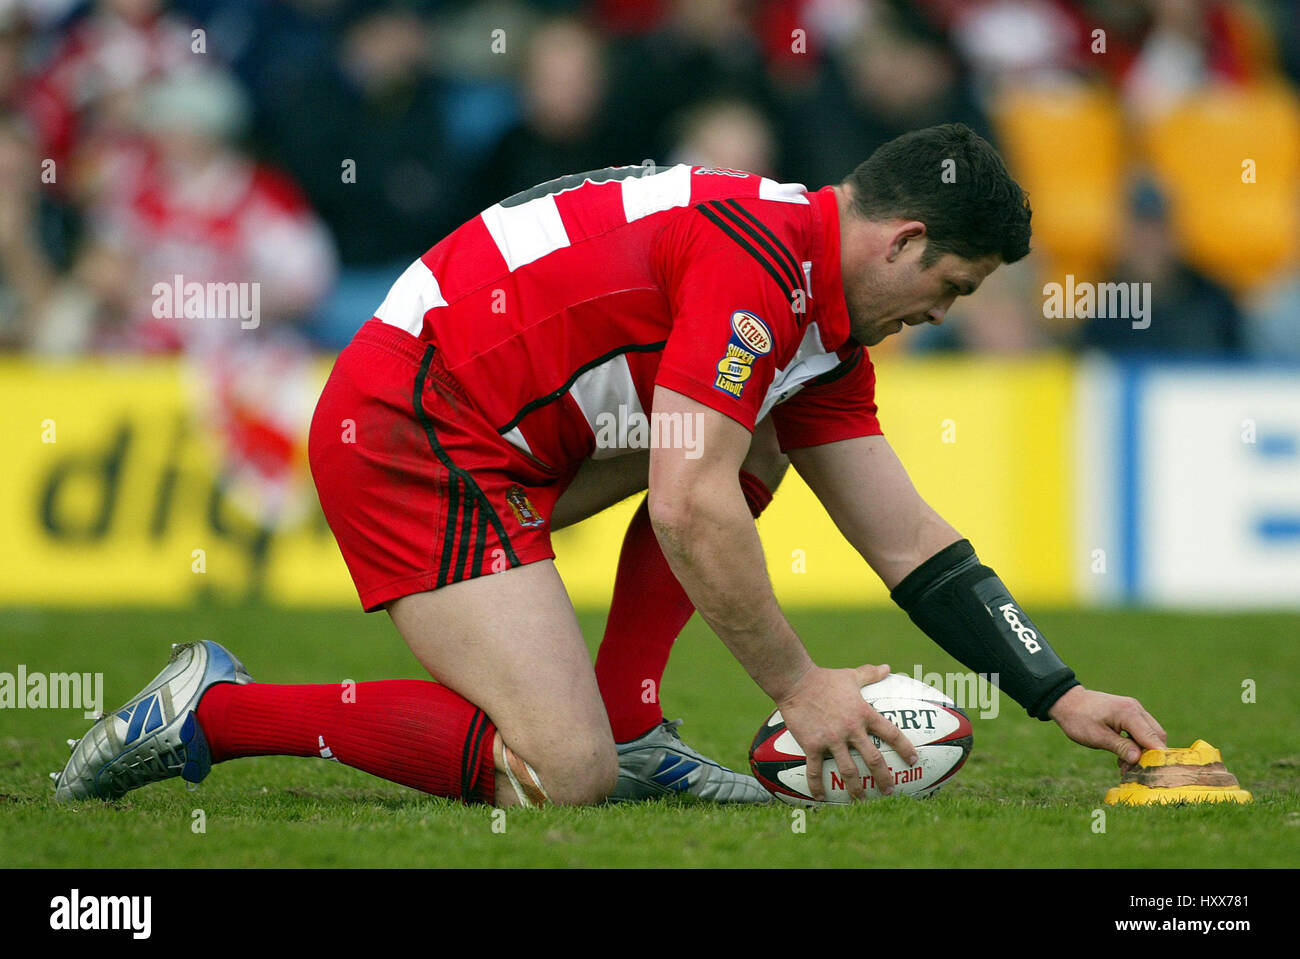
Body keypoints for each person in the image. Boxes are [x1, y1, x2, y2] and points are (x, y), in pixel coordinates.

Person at [55, 124, 1167, 808]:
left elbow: (907, 539)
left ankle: (634, 719)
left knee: (748, 432)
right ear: (904, 239)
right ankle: (212, 709)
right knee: (560, 774)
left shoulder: (816, 314)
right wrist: (797, 685)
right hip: (410, 427)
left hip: (500, 432)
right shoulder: (756, 266)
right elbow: (685, 504)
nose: (942, 313)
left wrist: (1056, 689)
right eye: (952, 286)